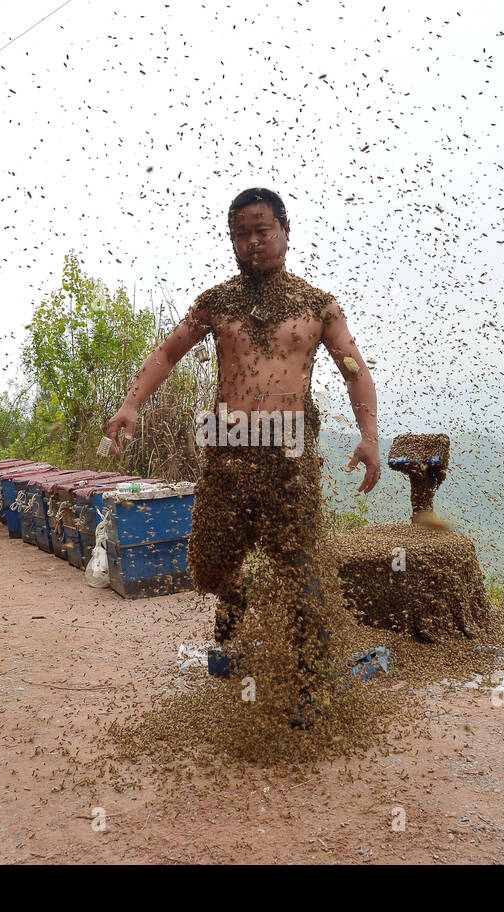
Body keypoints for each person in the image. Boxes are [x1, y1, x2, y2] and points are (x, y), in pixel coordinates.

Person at [106, 187, 380, 727]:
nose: (253, 243)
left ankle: (308, 687)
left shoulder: (317, 305)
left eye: (263, 231)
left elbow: (354, 368)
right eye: (241, 234)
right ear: (231, 240)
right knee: (209, 567)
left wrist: (369, 436)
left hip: (290, 457)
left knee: (303, 573)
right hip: (228, 452)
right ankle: (238, 606)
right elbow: (167, 352)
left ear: (284, 231)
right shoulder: (218, 302)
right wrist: (130, 405)